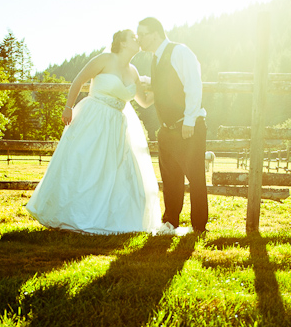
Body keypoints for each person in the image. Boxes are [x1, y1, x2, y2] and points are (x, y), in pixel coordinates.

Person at [26, 30, 162, 235]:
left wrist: (162, 89)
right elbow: (79, 80)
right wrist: (68, 107)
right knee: (85, 163)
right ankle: (71, 214)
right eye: (134, 38)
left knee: (114, 171)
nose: (138, 40)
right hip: (93, 117)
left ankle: (107, 216)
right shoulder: (105, 59)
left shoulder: (133, 71)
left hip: (117, 124)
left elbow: (144, 101)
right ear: (123, 43)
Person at [137, 17, 208, 233]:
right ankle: (170, 222)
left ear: (155, 34)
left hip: (187, 127)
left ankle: (198, 227)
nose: (139, 39)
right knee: (170, 178)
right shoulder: (156, 59)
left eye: (142, 35)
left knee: (195, 177)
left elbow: (193, 85)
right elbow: (166, 84)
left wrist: (189, 120)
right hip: (167, 130)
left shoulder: (180, 51)